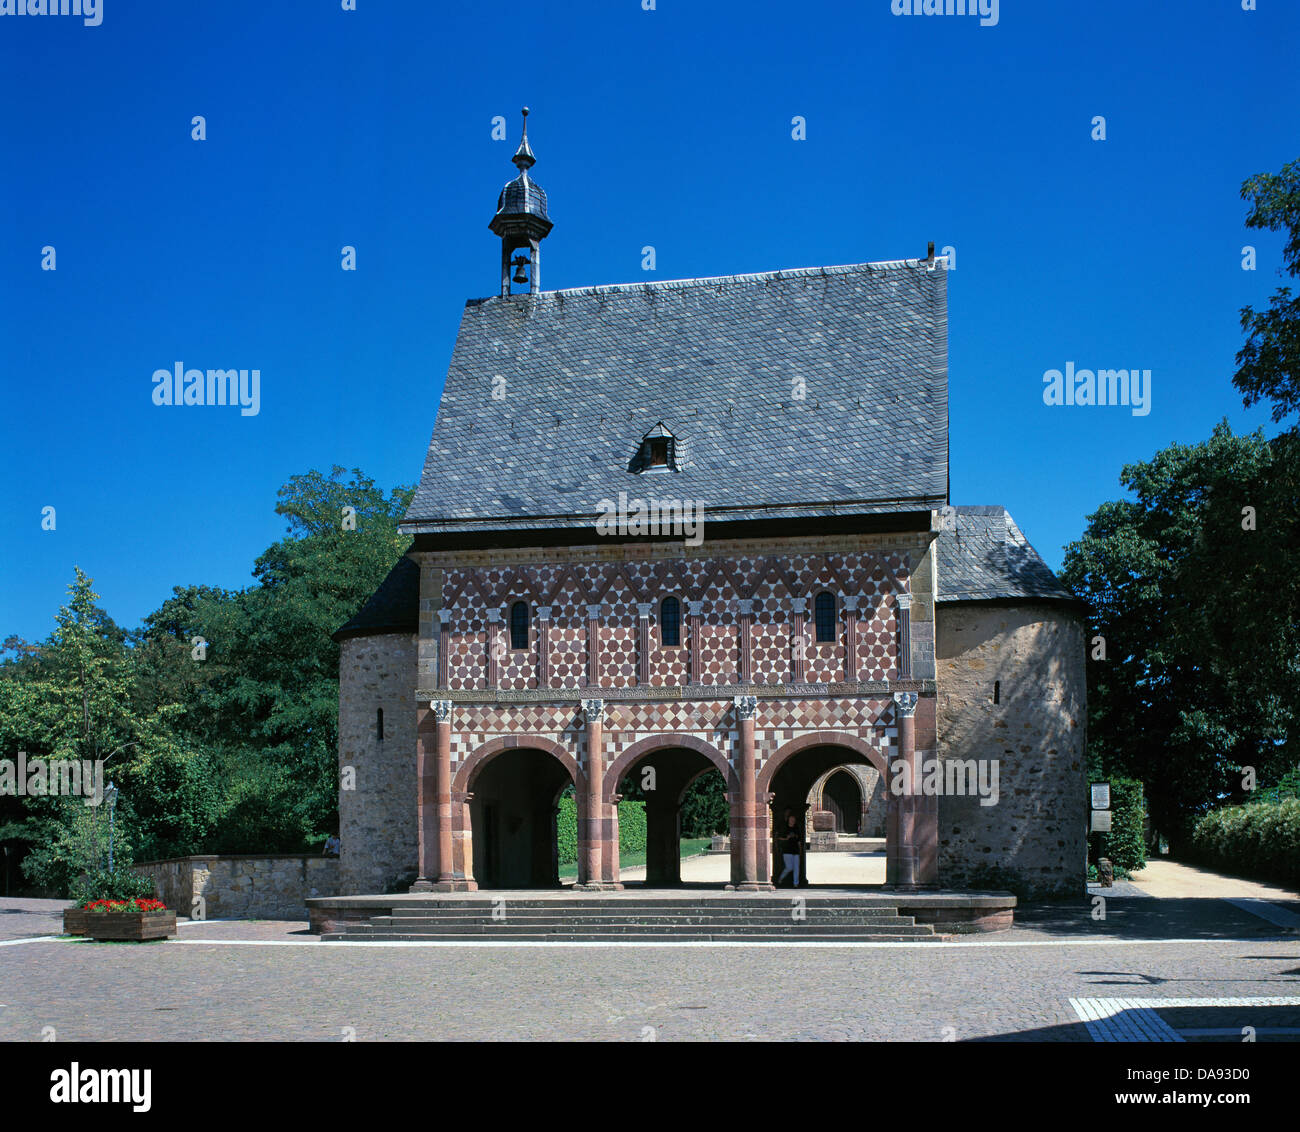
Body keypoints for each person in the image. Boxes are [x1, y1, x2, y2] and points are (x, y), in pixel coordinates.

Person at [776, 811, 801, 887]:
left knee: (796, 868)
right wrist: (786, 838)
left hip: (795, 850)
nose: (792, 821)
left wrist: (800, 850)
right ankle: (780, 878)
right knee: (789, 867)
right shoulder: (785, 828)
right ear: (788, 820)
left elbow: (799, 840)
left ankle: (795, 884)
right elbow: (779, 837)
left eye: (793, 820)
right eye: (791, 819)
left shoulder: (797, 829)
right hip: (787, 850)